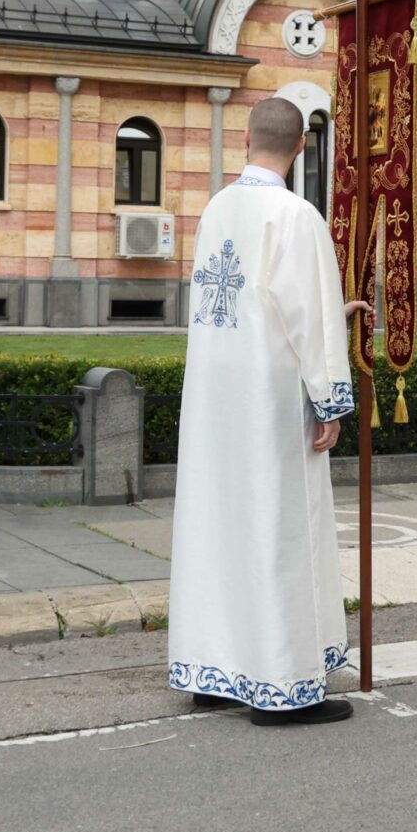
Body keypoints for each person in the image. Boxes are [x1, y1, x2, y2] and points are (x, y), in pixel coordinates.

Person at [168, 97, 358, 725]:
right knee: (278, 528)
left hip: (214, 397)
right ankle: (280, 685)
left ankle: (215, 671)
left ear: (246, 139)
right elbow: (307, 313)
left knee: (220, 527)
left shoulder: (216, 209)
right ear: (301, 146)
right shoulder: (295, 215)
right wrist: (330, 398)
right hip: (269, 401)